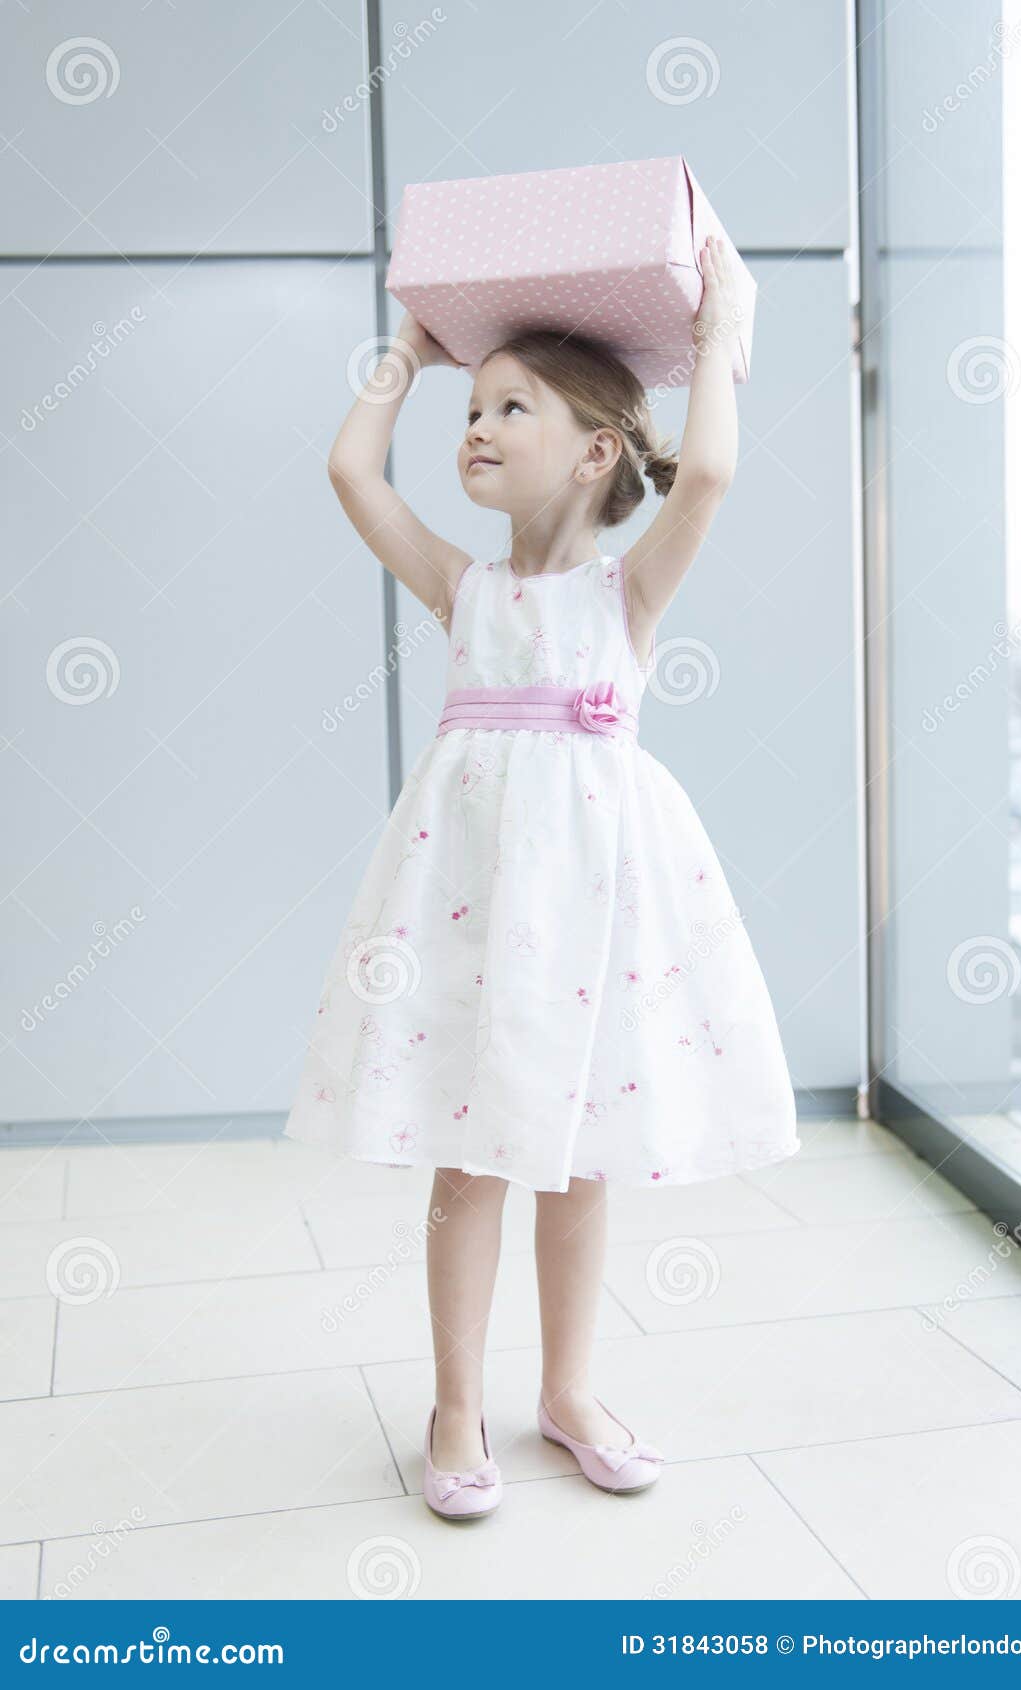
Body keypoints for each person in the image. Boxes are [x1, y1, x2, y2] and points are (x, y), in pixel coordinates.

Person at [284, 236, 799, 1518]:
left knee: (578, 1156)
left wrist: (721, 329)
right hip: (470, 906)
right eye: (469, 407)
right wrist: (409, 353)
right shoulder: (462, 589)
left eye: (509, 406)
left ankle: (567, 1390)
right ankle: (456, 1405)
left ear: (593, 451)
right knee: (468, 1159)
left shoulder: (626, 594)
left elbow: (710, 469)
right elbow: (350, 470)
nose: (474, 425)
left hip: (592, 909)